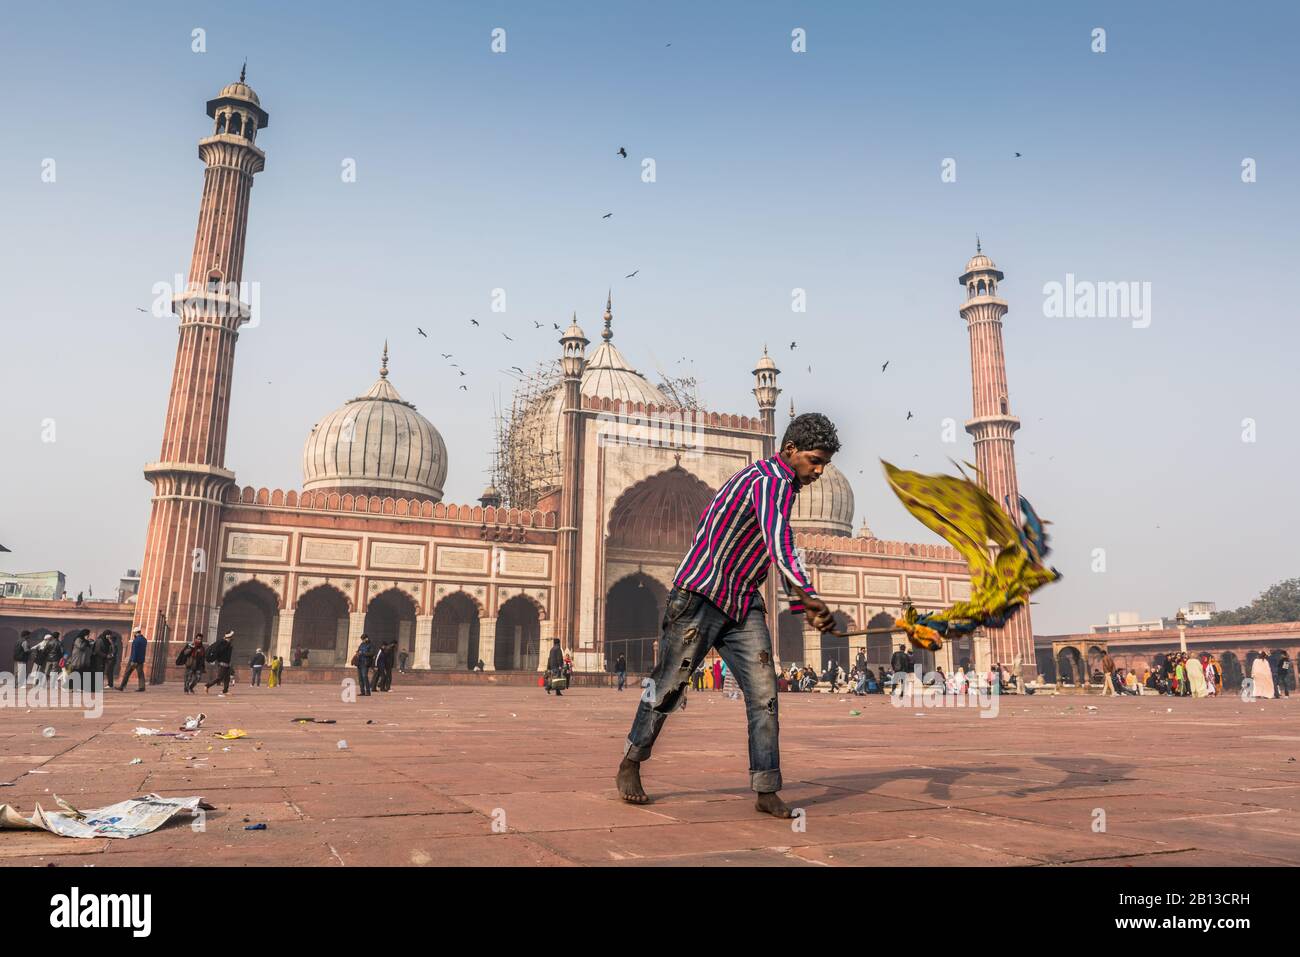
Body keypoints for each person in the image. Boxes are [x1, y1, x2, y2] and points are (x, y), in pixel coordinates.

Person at [616, 411, 840, 818]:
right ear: (790, 450)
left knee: (764, 693)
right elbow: (779, 542)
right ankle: (631, 759)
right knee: (667, 686)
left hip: (741, 600)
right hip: (700, 594)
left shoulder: (781, 484)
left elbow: (770, 544)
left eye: (825, 463)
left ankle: (766, 787)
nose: (820, 471)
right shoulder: (769, 482)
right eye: (815, 460)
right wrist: (807, 596)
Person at [204, 631, 235, 695]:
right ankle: (207, 686)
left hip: (227, 663)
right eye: (231, 637)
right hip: (222, 663)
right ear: (229, 637)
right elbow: (219, 651)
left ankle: (225, 691)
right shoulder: (223, 643)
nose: (232, 639)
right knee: (220, 677)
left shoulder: (227, 643)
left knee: (227, 678)